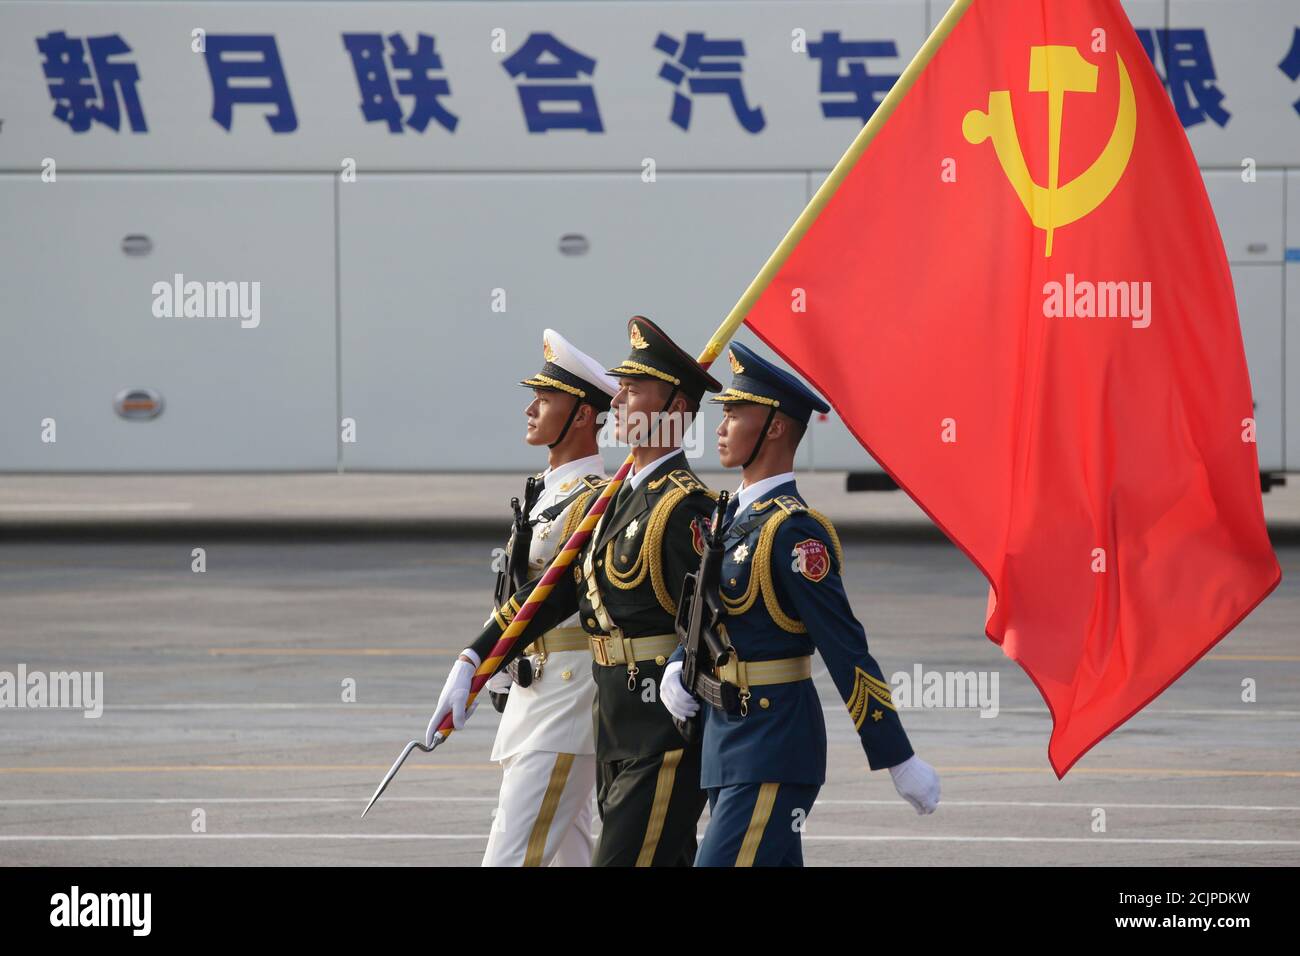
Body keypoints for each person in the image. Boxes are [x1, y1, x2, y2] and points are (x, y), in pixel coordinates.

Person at [429, 316, 720, 866]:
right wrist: (478, 655)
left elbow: (711, 609)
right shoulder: (615, 499)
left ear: (676, 410)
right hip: (613, 725)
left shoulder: (684, 504)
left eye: (635, 391)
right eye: (623, 388)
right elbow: (558, 589)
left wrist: (686, 660)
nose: (622, 402)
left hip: (658, 727)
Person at [660, 341, 941, 866]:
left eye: (736, 414)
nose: (720, 427)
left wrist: (897, 757)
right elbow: (708, 615)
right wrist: (680, 662)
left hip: (773, 744)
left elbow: (845, 649)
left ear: (775, 427)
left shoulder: (794, 534)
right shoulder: (729, 519)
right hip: (728, 747)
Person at [471, 328, 617, 866]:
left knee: (510, 857)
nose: (531, 409)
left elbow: (561, 597)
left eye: (546, 399)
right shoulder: (548, 489)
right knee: (567, 856)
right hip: (536, 698)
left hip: (566, 701)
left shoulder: (593, 500)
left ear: (582, 415)